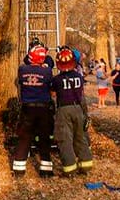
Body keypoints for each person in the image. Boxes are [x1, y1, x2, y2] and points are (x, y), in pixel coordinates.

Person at [12, 44, 54, 177]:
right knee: (44, 138)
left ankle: (19, 169)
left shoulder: (22, 69)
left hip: (27, 108)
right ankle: (46, 170)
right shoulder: (47, 71)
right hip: (43, 109)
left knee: (24, 138)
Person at [50, 48, 93, 176]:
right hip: (78, 109)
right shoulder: (79, 77)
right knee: (80, 136)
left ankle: (70, 169)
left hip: (64, 110)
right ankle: (86, 165)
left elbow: (52, 94)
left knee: (65, 139)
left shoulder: (56, 80)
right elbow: (81, 94)